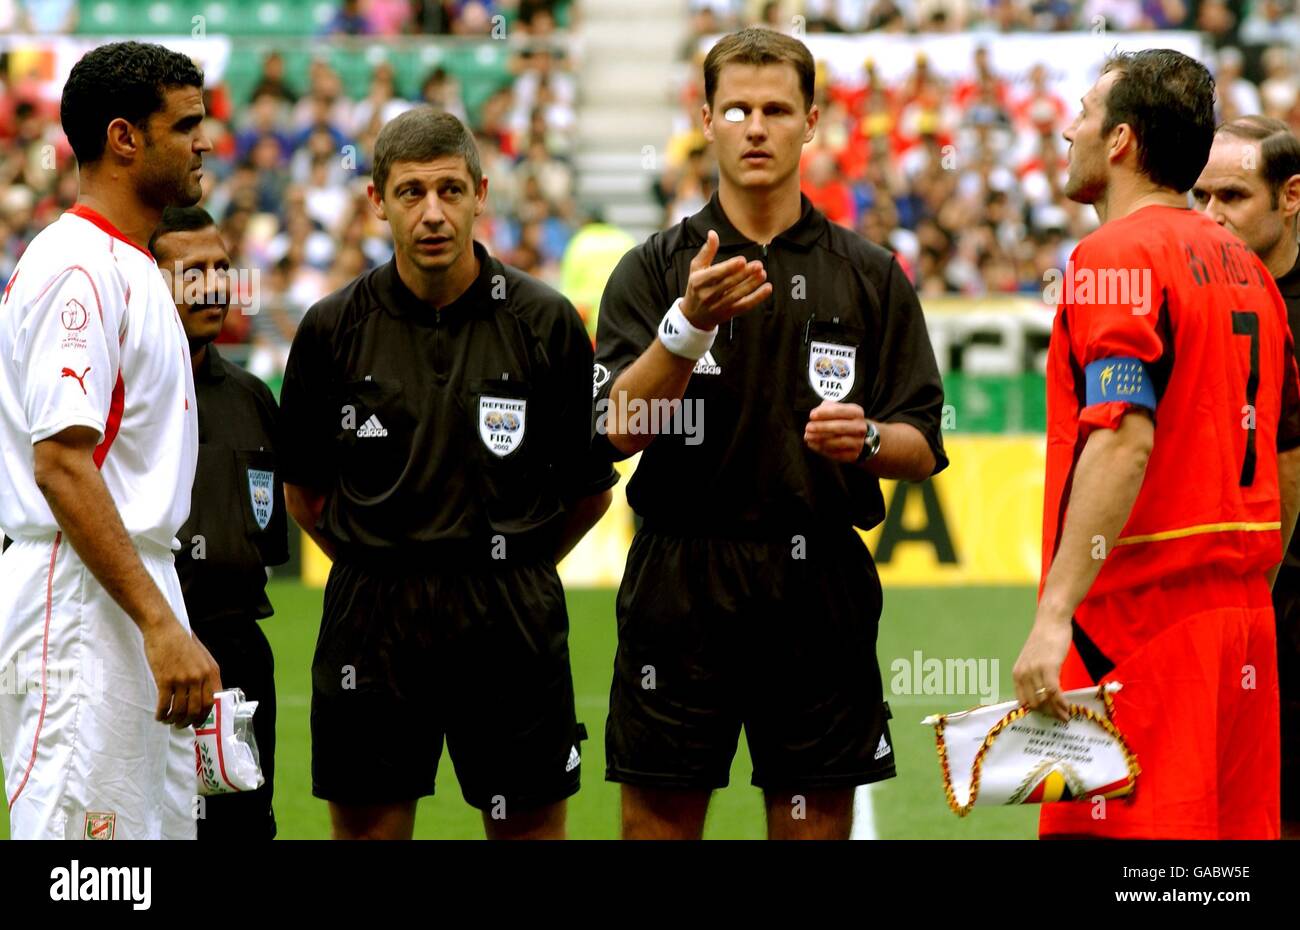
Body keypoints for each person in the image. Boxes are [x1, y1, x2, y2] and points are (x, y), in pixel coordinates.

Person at [593, 28, 947, 841]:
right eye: (739, 109)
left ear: (812, 122)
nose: (757, 127)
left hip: (816, 577)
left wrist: (866, 441)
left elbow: (922, 443)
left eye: (777, 109)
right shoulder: (652, 268)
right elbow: (615, 427)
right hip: (681, 577)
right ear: (707, 119)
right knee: (658, 824)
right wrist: (687, 327)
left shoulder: (869, 273)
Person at [279, 108, 614, 840]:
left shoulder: (546, 322)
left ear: (480, 193)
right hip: (372, 618)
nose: (433, 213)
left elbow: (588, 492)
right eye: (410, 193)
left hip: (511, 618)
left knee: (526, 832)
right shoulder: (332, 329)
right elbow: (302, 494)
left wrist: (513, 565)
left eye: (450, 191)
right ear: (377, 201)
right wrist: (381, 564)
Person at [1014, 50, 1300, 839]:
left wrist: (1055, 613)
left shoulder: (1113, 257)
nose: (1067, 129)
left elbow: (1122, 436)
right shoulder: (1250, 268)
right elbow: (1284, 454)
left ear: (1119, 142)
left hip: (1143, 620)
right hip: (1243, 615)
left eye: (1082, 113)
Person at [0, 41, 221, 840]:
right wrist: (159, 622)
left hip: (119, 584)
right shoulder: (79, 269)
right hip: (84, 598)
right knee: (87, 877)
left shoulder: (126, 264)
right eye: (187, 124)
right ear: (125, 137)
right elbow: (60, 464)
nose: (206, 142)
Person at [150, 205, 288, 840]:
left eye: (221, 268)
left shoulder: (252, 396)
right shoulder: (120, 395)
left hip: (237, 655)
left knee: (243, 828)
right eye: (190, 272)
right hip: (147, 654)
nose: (212, 285)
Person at [1193, 115, 1300, 839]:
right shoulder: (1203, 295)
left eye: (1231, 196)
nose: (1211, 215)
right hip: (1225, 604)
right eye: (1201, 195)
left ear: (1291, 196)